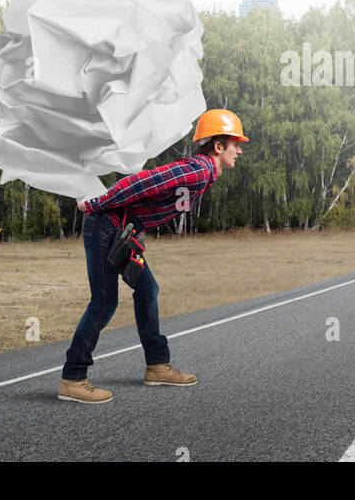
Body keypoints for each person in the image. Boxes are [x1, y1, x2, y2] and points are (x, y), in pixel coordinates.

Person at [57, 108, 248, 403]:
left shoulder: (205, 174)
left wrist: (137, 230)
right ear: (219, 146)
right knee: (104, 301)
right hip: (105, 224)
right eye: (235, 143)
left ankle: (157, 366)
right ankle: (72, 378)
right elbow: (140, 183)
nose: (239, 150)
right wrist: (96, 204)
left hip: (121, 229)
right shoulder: (198, 170)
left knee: (147, 289)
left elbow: (152, 201)